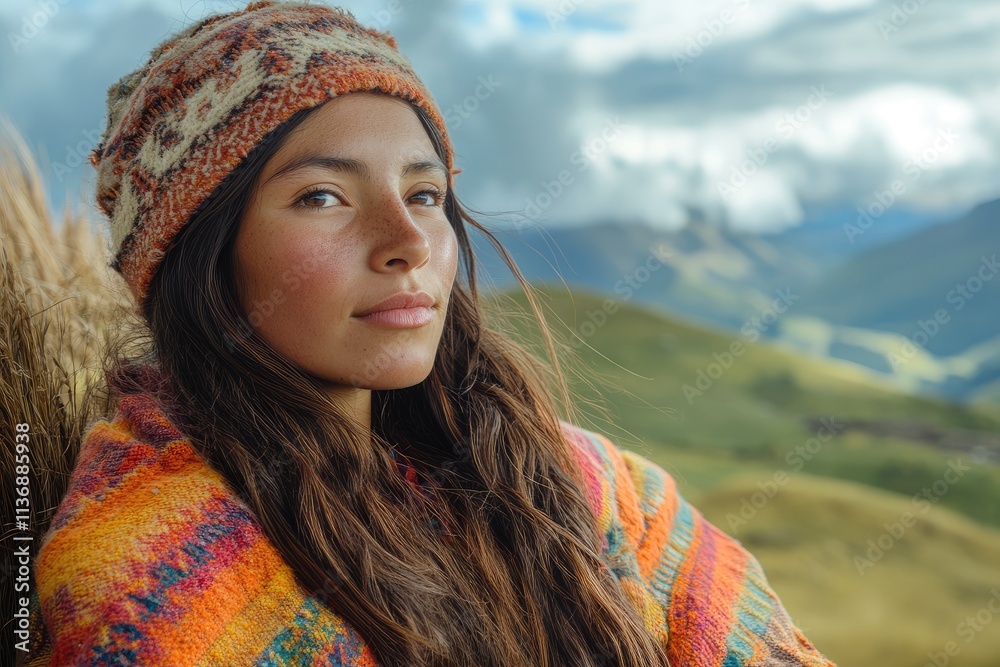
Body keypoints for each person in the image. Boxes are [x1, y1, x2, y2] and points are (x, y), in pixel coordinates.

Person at [24, 2, 838, 665]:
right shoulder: (141, 588)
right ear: (199, 255)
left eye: (423, 193)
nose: (408, 240)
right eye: (321, 197)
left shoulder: (584, 486)